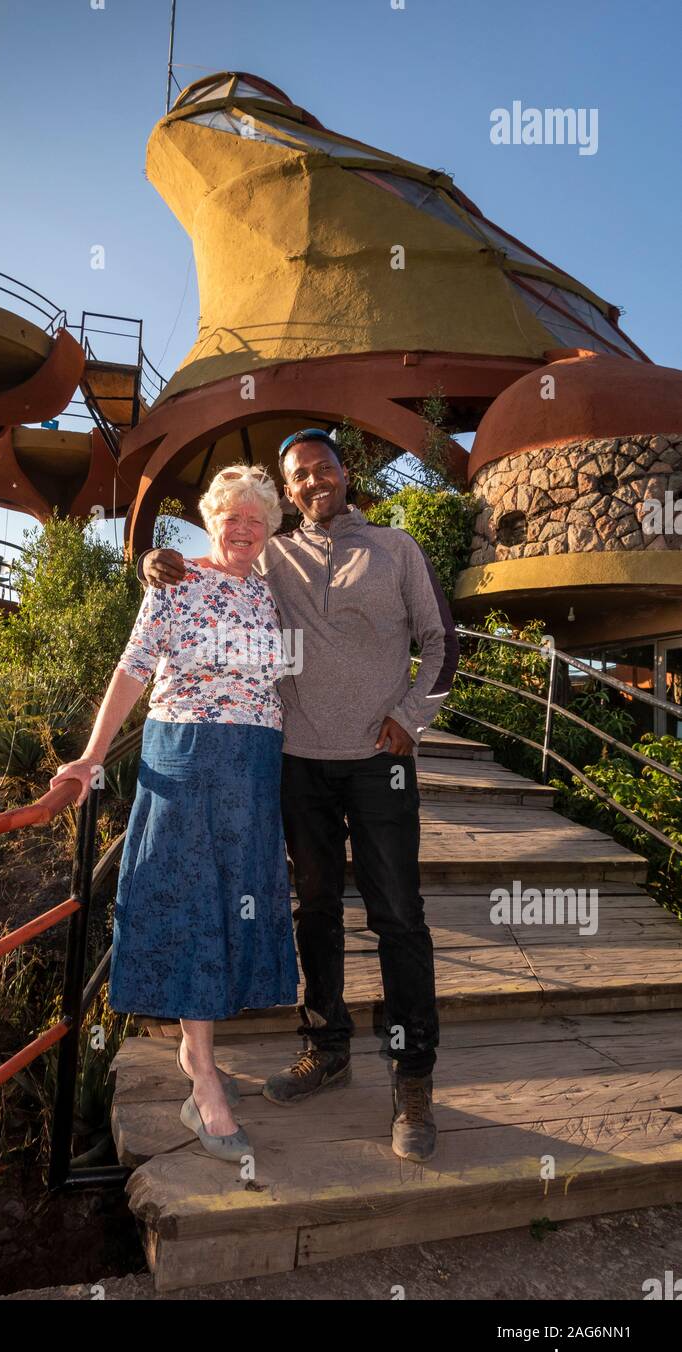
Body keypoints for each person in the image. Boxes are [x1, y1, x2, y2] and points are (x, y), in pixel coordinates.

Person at [139, 429, 459, 1162]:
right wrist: (153, 563)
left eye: (324, 469)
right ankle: (327, 1046)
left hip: (380, 760)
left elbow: (443, 641)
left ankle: (413, 1079)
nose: (314, 482)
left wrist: (410, 717)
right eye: (299, 477)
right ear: (287, 493)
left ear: (344, 474)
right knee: (312, 906)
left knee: (398, 916)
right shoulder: (274, 553)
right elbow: (218, 561)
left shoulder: (396, 549)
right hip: (296, 760)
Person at [50, 465, 298, 1164]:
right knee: (193, 898)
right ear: (209, 519)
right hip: (186, 753)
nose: (243, 528)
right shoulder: (177, 581)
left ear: (269, 529)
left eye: (257, 518)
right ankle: (203, 1075)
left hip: (254, 763)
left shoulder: (269, 592)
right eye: (231, 516)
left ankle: (200, 1049)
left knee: (233, 899)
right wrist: (92, 756)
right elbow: (132, 670)